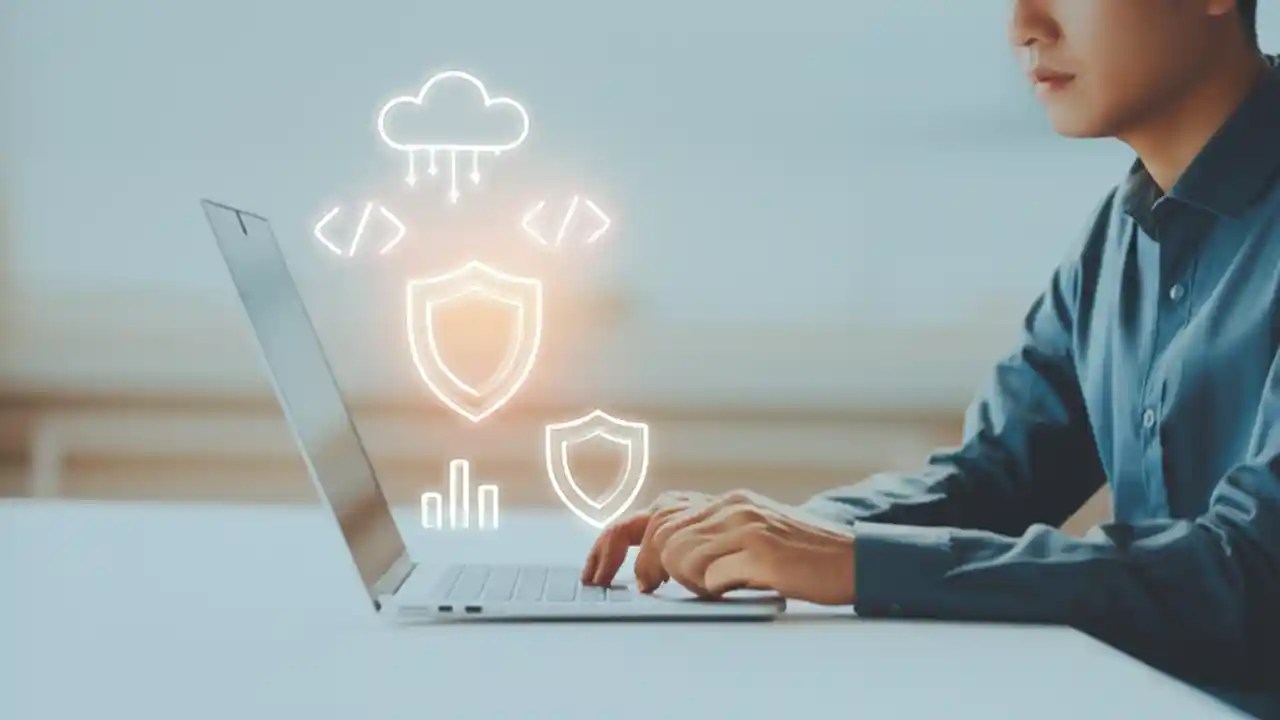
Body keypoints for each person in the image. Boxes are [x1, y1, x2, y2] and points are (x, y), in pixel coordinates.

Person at [583, 0, 1279, 707]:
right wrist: (772, 534)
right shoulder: (1121, 237)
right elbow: (993, 477)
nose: (1024, 27)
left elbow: (1252, 577)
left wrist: (857, 561)